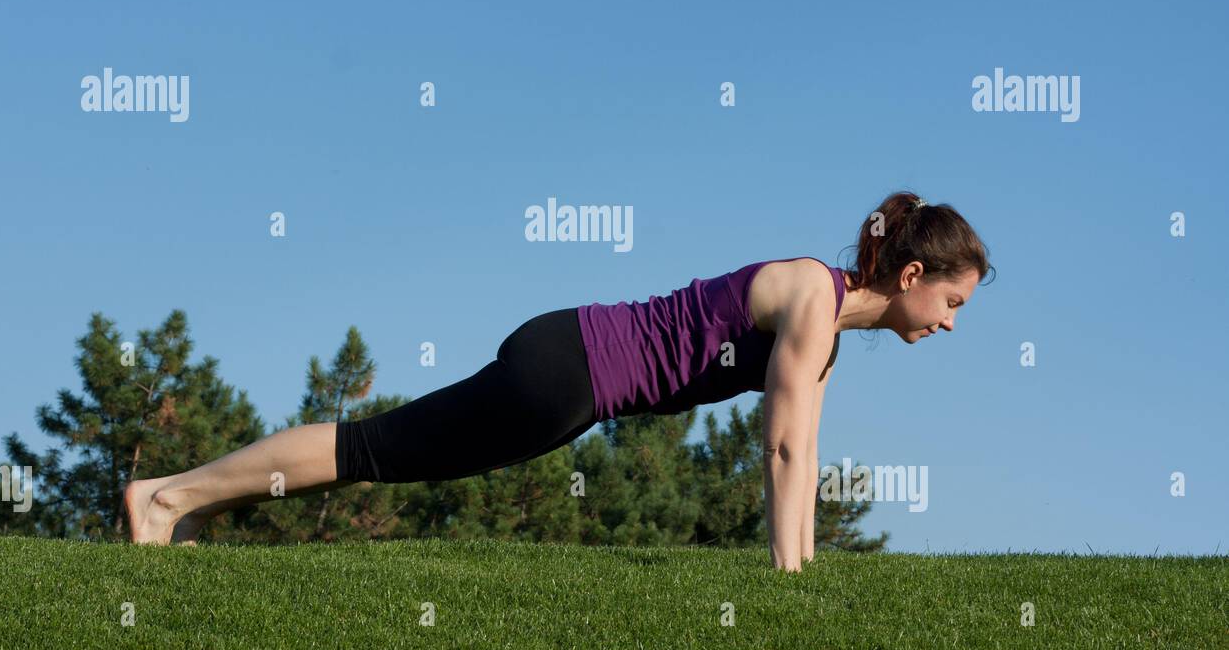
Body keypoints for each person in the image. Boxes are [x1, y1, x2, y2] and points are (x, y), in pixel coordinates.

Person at [124, 190, 993, 570]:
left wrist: (797, 570)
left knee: (381, 452)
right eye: (952, 301)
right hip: (567, 370)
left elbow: (803, 455)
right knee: (374, 449)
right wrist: (788, 578)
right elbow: (783, 446)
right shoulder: (813, 291)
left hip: (571, 381)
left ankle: (186, 504)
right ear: (913, 278)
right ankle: (164, 500)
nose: (951, 323)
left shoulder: (830, 336)